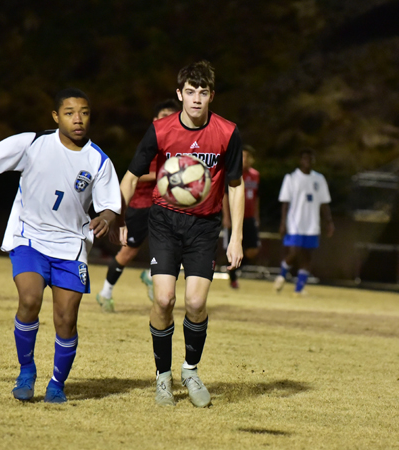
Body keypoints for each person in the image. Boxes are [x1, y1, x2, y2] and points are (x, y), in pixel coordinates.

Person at [0, 88, 121, 404]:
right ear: (56, 117)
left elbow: (111, 205)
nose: (78, 119)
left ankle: (57, 384)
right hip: (29, 237)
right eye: (69, 112)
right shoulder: (33, 143)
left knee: (66, 319)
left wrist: (107, 219)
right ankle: (27, 370)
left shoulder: (99, 161)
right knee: (29, 299)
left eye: (84, 112)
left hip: (71, 245)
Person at [118, 60, 244, 408]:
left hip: (204, 226)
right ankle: (162, 377)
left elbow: (235, 185)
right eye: (190, 92)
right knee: (163, 300)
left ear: (211, 95)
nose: (197, 99)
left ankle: (190, 370)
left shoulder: (227, 133)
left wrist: (236, 237)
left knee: (196, 302)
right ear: (179, 94)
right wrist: (119, 216)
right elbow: (130, 176)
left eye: (203, 93)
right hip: (165, 221)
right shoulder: (160, 130)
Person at [96, 99, 180, 312]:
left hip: (164, 206)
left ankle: (152, 275)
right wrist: (162, 174)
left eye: (172, 117)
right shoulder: (150, 143)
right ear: (155, 120)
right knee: (127, 254)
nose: (168, 121)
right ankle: (105, 292)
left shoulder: (179, 145)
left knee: (176, 245)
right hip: (140, 205)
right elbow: (134, 175)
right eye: (163, 117)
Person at [273, 148, 334, 296]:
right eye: (305, 158)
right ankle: (282, 275)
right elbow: (285, 203)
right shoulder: (291, 178)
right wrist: (283, 223)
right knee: (294, 251)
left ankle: (299, 289)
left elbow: (324, 203)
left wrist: (329, 222)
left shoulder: (319, 179)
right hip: (295, 222)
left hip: (312, 223)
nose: (308, 161)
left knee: (307, 256)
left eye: (311, 158)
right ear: (301, 160)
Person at [222, 145, 261, 289]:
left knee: (253, 250)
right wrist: (226, 216)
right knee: (231, 249)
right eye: (242, 156)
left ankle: (234, 269)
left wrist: (257, 216)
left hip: (249, 217)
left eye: (247, 156)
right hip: (235, 217)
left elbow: (256, 197)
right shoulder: (232, 173)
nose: (244, 159)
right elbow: (225, 195)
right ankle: (232, 278)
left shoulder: (255, 175)